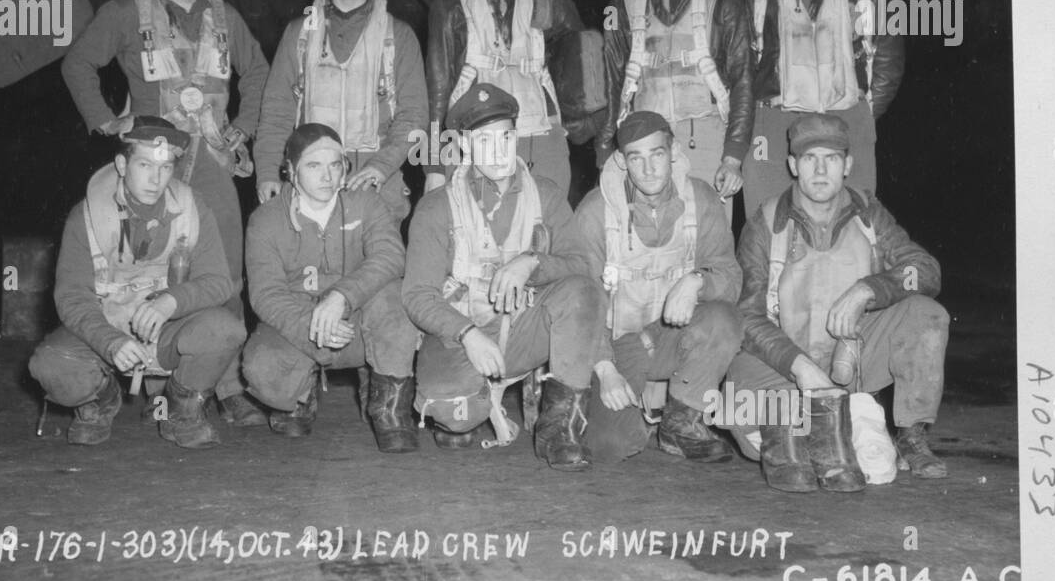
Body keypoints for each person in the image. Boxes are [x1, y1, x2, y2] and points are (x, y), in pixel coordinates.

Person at [62, 0, 269, 323]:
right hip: (152, 161)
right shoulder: (123, 12)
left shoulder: (224, 17)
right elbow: (77, 63)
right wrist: (106, 119)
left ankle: (221, 371)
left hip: (212, 158)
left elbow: (259, 72)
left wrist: (244, 127)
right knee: (142, 264)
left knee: (225, 262)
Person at [728, 113, 949, 493]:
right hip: (785, 364)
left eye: (830, 158)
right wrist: (799, 367)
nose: (819, 169)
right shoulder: (765, 222)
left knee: (927, 314)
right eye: (809, 158)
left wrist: (871, 287)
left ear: (847, 165)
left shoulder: (868, 213)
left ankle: (910, 435)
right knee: (755, 432)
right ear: (793, 165)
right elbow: (747, 317)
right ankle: (845, 420)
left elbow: (924, 270)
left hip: (853, 359)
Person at [403, 83, 606, 471]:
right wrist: (468, 334)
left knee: (583, 292)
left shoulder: (545, 195)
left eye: (506, 136)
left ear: (518, 137)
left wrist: (531, 261)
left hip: (526, 328)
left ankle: (559, 429)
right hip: (463, 335)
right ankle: (479, 402)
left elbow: (581, 265)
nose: (497, 150)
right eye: (483, 139)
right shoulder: (435, 207)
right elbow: (418, 295)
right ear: (463, 144)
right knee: (455, 414)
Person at [28, 118, 248, 449]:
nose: (156, 178)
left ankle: (182, 405)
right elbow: (72, 296)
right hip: (104, 327)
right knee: (49, 364)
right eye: (144, 164)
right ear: (121, 164)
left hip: (167, 330)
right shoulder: (85, 216)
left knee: (226, 329)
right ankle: (100, 398)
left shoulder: (192, 207)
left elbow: (218, 281)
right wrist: (109, 341)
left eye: (166, 167)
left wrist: (170, 301)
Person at [575, 110, 744, 463]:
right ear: (622, 161)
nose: (649, 169)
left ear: (673, 151)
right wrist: (604, 370)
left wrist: (697, 280)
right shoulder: (595, 211)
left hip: (673, 337)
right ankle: (612, 410)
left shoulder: (701, 199)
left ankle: (681, 424)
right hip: (617, 346)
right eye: (636, 158)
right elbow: (582, 303)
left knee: (723, 319)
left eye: (657, 154)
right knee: (609, 446)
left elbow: (730, 276)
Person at [240, 124, 421, 451]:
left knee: (394, 296)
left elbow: (392, 256)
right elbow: (265, 295)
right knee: (261, 368)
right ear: (291, 171)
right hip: (300, 325)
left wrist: (342, 296)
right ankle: (301, 393)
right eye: (313, 165)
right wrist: (312, 326)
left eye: (335, 165)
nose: (327, 176)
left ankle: (389, 404)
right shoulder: (266, 220)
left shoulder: (365, 203)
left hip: (357, 323)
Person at [741, 0, 904, 214]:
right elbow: (743, 62)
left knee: (852, 229)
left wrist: (863, 116)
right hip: (775, 121)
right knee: (769, 228)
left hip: (847, 117)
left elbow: (889, 55)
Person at [253, 0, 427, 222]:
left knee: (380, 266)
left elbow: (414, 115)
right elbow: (277, 110)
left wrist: (382, 166)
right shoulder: (299, 35)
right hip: (310, 181)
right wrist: (268, 170)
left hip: (375, 182)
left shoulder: (398, 37)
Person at [598, 0, 754, 219]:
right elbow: (611, 83)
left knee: (708, 253)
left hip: (707, 142)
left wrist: (732, 156)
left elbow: (742, 77)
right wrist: (604, 154)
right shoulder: (622, 2)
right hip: (643, 145)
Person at [423, 0, 584, 198]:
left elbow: (581, 67)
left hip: (540, 135)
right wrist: (433, 165)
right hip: (475, 139)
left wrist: (582, 131)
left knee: (546, 233)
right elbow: (438, 89)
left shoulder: (553, 1)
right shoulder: (450, 6)